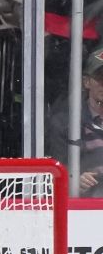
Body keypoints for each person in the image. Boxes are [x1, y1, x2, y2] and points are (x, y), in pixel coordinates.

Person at [47, 43, 103, 196]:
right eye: (100, 77)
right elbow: (55, 174)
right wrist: (74, 181)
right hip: (85, 206)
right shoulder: (64, 124)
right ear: (86, 82)